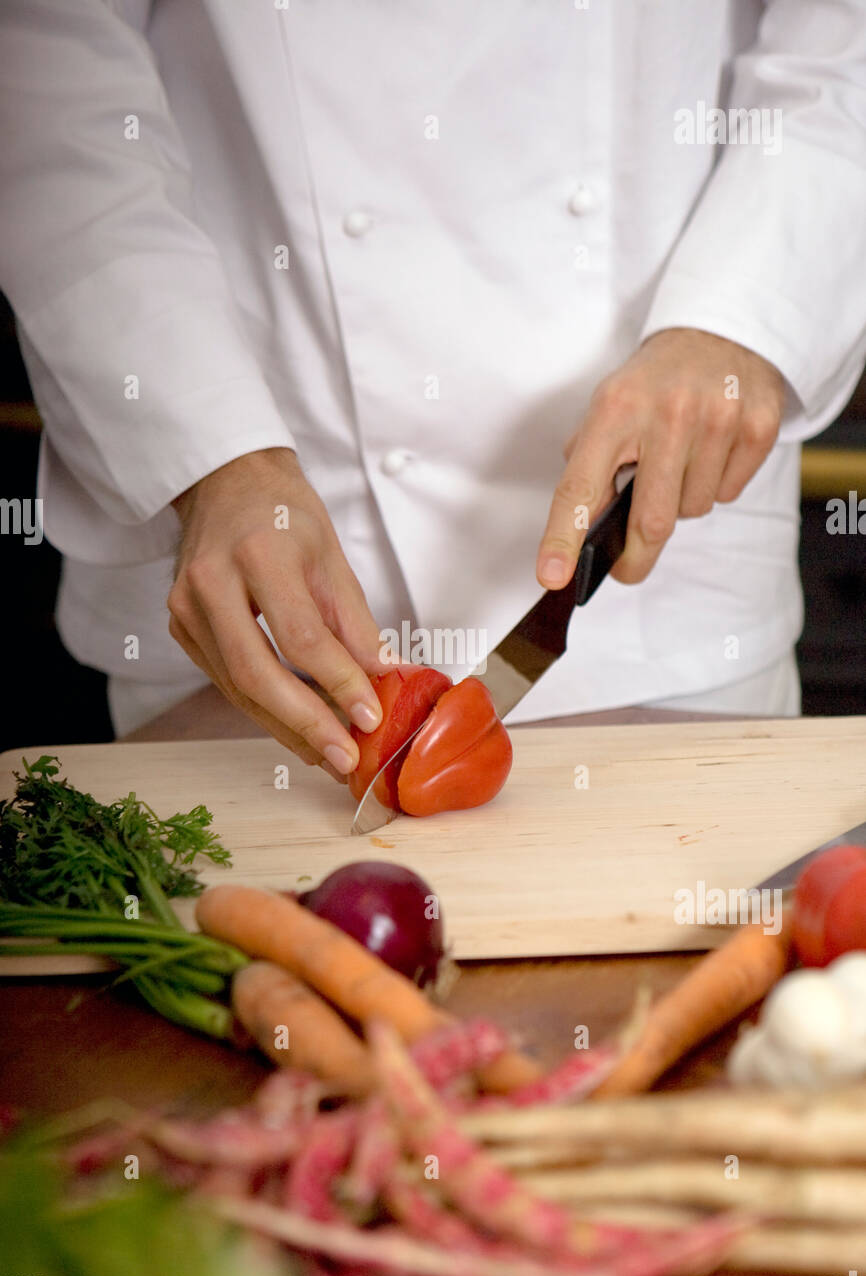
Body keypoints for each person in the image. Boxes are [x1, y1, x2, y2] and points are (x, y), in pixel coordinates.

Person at [2, 1, 866, 780]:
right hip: (257, 606)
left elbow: (842, 47)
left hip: (667, 597)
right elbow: (47, 78)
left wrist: (741, 318)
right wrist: (206, 453)